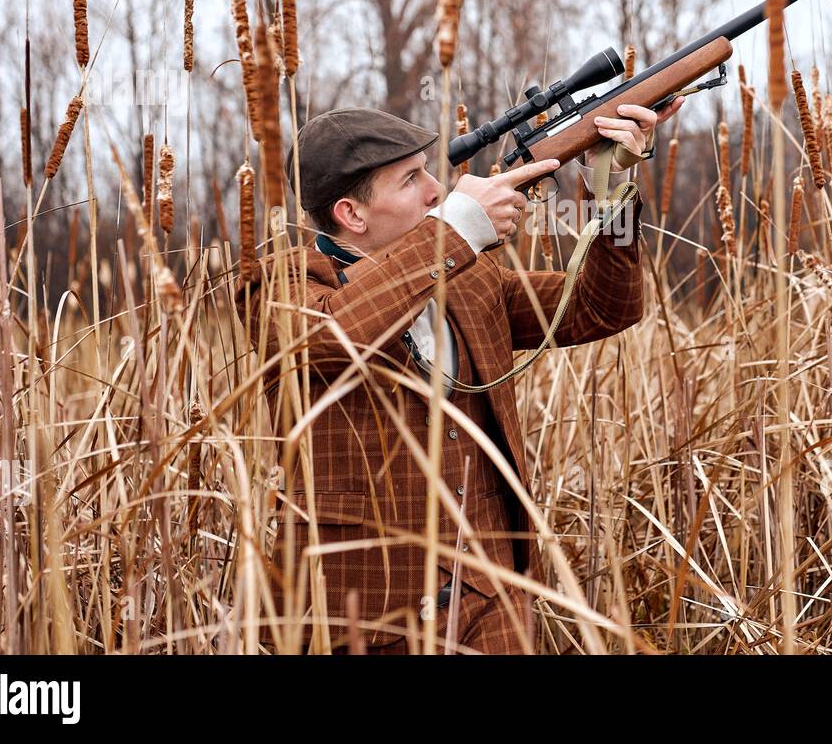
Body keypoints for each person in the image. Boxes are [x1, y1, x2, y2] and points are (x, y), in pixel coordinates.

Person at [240, 96, 683, 654]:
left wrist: (609, 191)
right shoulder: (276, 287)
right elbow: (332, 338)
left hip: (492, 593)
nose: (435, 191)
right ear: (351, 214)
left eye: (429, 172)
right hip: (362, 617)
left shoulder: (471, 278)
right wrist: (453, 234)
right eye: (410, 180)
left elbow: (602, 308)